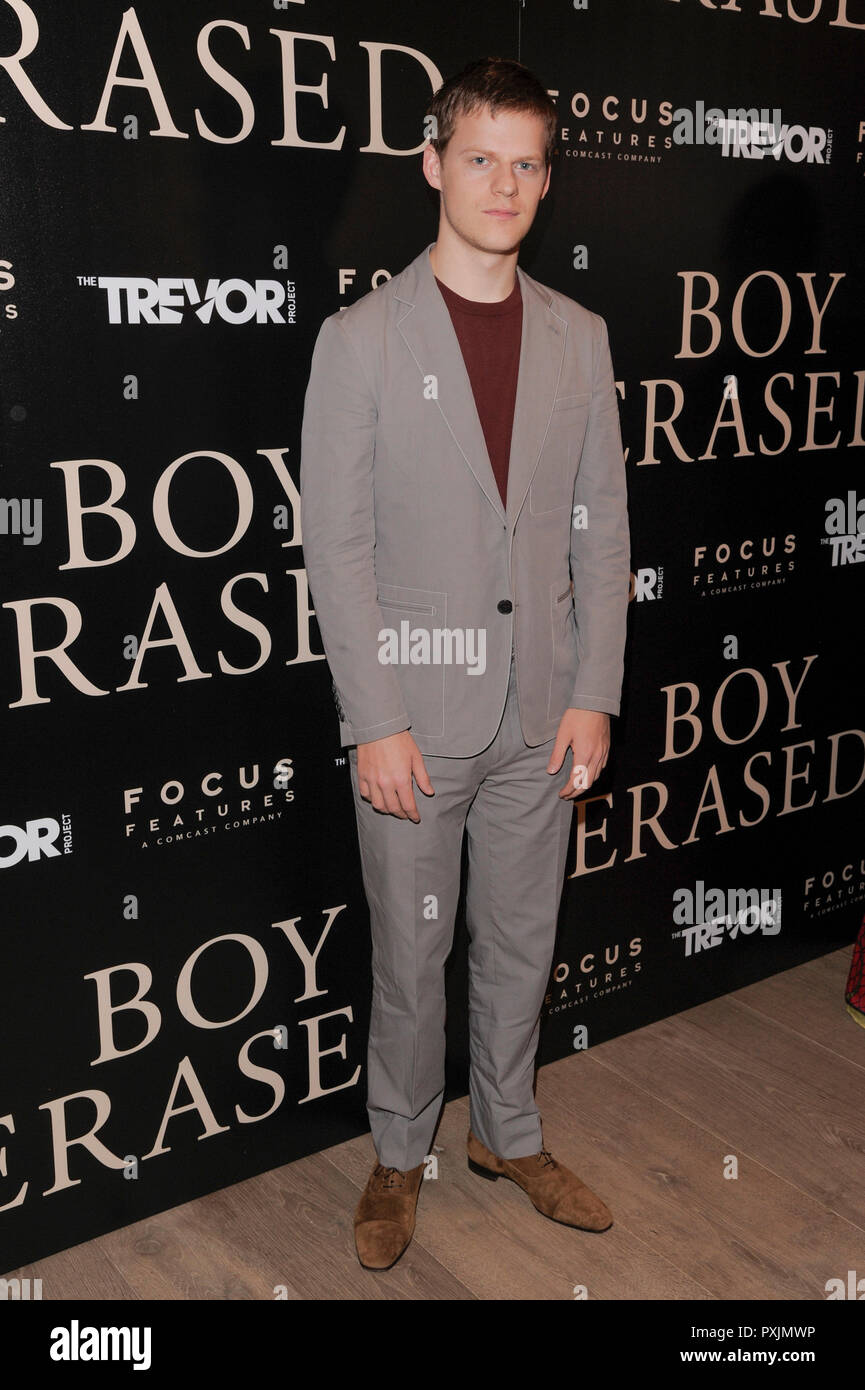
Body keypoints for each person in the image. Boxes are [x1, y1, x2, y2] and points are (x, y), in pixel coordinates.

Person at [300, 56, 631, 1271]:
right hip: (415, 721)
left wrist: (595, 688)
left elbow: (603, 528)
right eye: (480, 157)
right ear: (433, 164)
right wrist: (372, 716)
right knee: (412, 950)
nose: (504, 182)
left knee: (522, 937)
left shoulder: (580, 337)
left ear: (548, 179)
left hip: (542, 711)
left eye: (527, 162)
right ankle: (399, 1153)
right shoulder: (362, 339)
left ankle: (507, 1132)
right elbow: (334, 546)